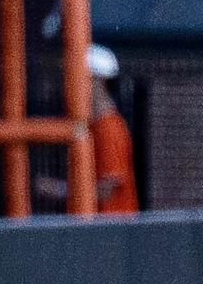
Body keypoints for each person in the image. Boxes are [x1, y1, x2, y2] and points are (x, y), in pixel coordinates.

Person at [34, 44, 138, 214]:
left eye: (79, 77)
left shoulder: (108, 127)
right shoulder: (97, 125)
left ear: (97, 80)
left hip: (108, 232)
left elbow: (107, 189)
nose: (70, 83)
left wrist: (55, 189)